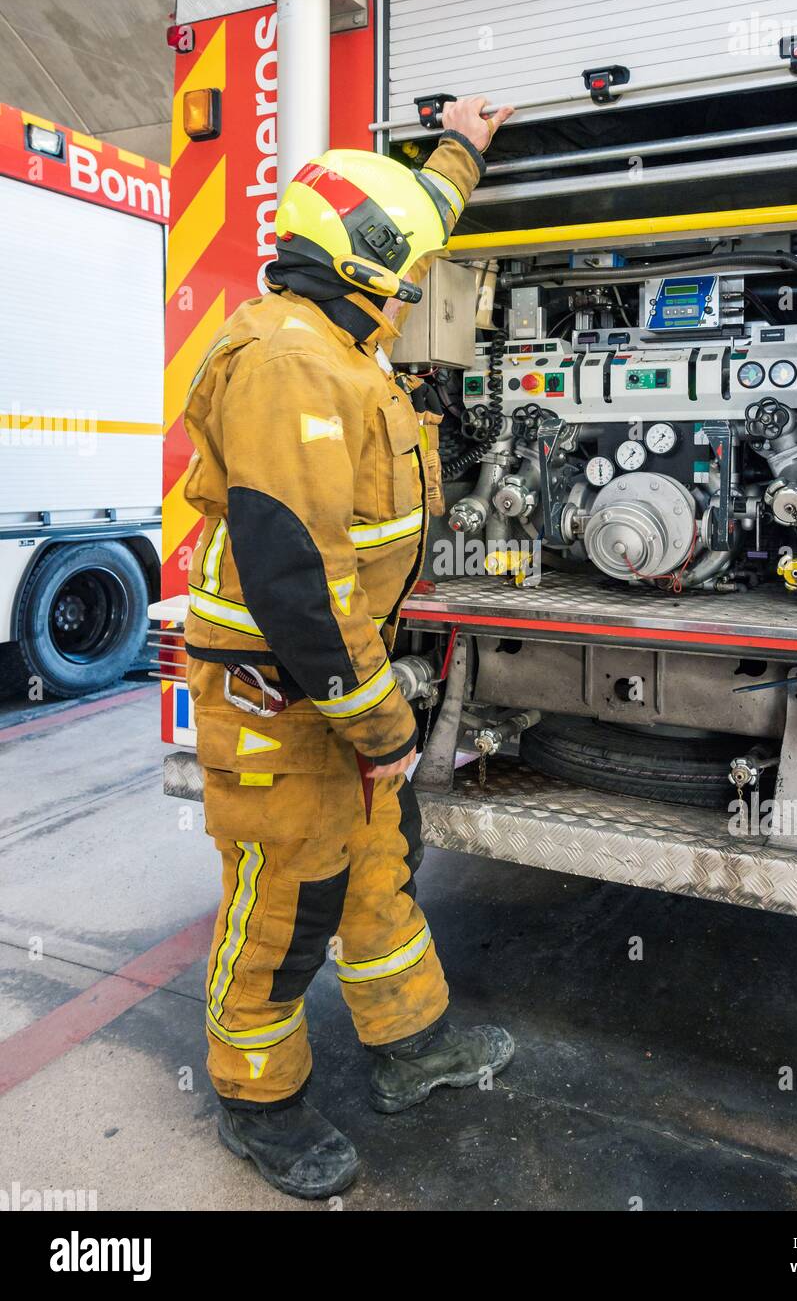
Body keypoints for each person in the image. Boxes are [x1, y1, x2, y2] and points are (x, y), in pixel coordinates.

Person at [182, 97, 515, 1198]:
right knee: (283, 903)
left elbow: (414, 212)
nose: (416, 285)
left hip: (330, 685)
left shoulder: (334, 334)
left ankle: (409, 1045)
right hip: (283, 694)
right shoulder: (289, 366)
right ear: (363, 267)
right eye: (405, 270)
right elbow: (299, 585)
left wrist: (461, 145)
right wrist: (383, 728)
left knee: (379, 869)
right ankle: (256, 1098)